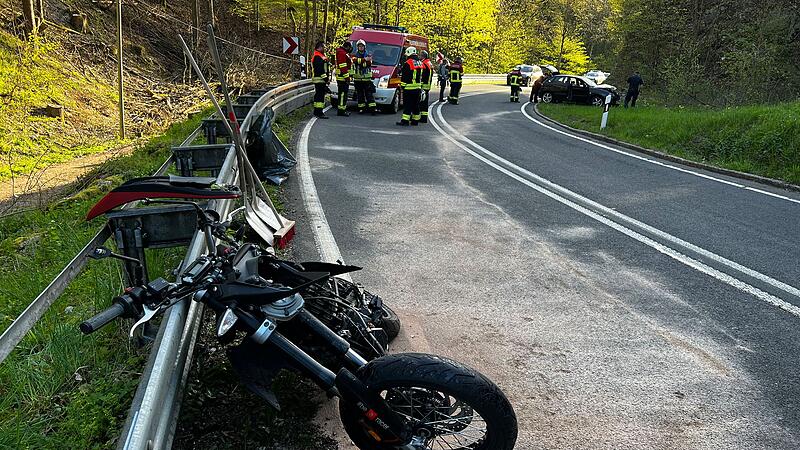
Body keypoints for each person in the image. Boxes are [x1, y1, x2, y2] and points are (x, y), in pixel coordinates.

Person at [396, 47, 422, 126]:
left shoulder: (408, 63)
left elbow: (405, 76)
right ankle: (415, 120)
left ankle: (405, 121)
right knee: (416, 105)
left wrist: (402, 86)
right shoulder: (419, 62)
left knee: (407, 105)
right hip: (417, 88)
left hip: (409, 88)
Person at [351, 39, 377, 114]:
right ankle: (361, 108)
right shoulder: (354, 55)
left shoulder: (368, 55)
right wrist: (364, 60)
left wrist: (362, 61)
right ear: (357, 47)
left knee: (369, 94)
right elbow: (355, 61)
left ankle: (372, 108)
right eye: (359, 46)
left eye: (362, 46)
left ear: (364, 47)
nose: (361, 48)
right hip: (358, 78)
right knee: (360, 94)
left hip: (366, 78)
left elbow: (368, 63)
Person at [310, 41, 330, 119]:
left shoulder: (320, 55)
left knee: (319, 95)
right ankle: (319, 112)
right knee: (320, 96)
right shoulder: (318, 56)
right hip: (320, 79)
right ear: (320, 47)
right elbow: (320, 70)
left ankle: (317, 111)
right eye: (323, 47)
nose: (324, 49)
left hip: (320, 79)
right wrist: (326, 79)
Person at [334, 40, 353, 116]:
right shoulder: (342, 53)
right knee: (342, 94)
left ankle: (342, 109)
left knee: (344, 94)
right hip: (342, 78)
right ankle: (341, 110)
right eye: (350, 48)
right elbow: (343, 66)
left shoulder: (343, 53)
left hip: (343, 77)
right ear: (347, 47)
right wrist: (347, 78)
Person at [419, 50, 434, 123]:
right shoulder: (429, 63)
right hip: (427, 85)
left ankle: (421, 118)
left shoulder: (424, 64)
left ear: (423, 56)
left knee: (422, 103)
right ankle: (424, 117)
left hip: (423, 86)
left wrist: (420, 84)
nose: (419, 57)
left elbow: (423, 76)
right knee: (425, 103)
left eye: (420, 55)